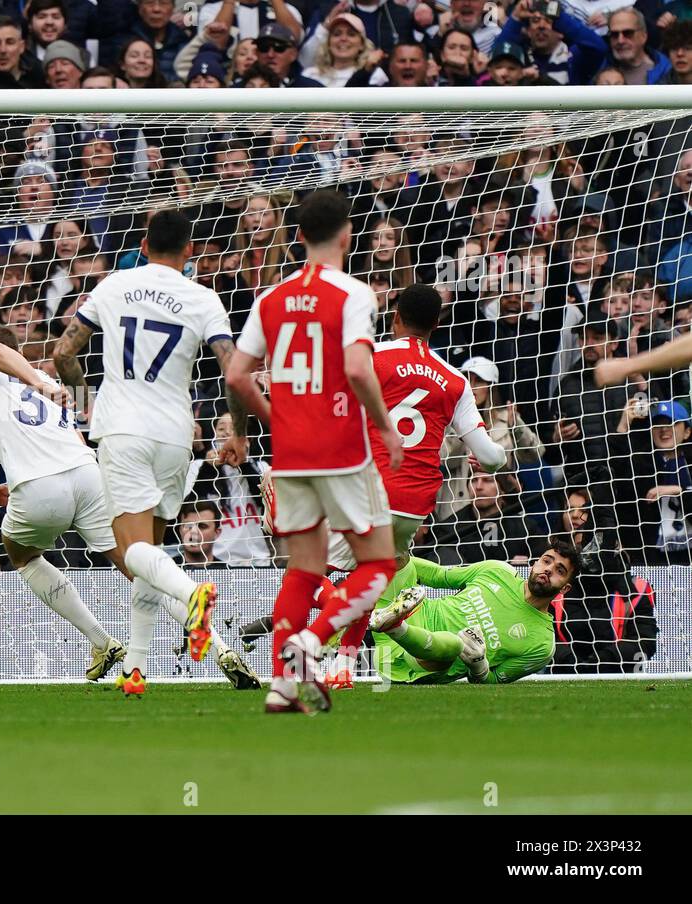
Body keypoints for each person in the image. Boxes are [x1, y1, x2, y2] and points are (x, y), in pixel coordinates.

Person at [261, 284, 510, 687]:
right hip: (415, 504)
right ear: (438, 324)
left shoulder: (374, 356)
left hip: (370, 488)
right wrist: (486, 451)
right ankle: (343, 664)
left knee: (305, 567)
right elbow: (493, 456)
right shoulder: (455, 381)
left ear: (394, 316)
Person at [52, 210, 249, 697]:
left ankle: (191, 594)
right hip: (176, 435)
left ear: (143, 244)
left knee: (131, 550)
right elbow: (233, 372)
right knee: (151, 553)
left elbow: (62, 353)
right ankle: (135, 669)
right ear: (189, 250)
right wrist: (239, 435)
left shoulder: (114, 285)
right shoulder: (203, 298)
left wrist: (83, 407)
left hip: (124, 429)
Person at [224, 189, 404, 714]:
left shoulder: (269, 299)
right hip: (343, 450)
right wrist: (386, 427)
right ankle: (312, 640)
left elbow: (237, 374)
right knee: (379, 566)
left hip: (292, 453)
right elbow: (355, 368)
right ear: (348, 235)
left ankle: (283, 685)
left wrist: (276, 418)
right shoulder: (353, 295)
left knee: (303, 569)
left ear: (297, 235)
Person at [0, 324, 128, 680]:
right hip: (87, 474)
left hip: (40, 488)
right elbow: (71, 441)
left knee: (22, 555)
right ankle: (217, 642)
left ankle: (100, 639)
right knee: (132, 562)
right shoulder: (53, 384)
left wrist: (40, 384)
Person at [368, 541, 582, 684]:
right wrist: (387, 560)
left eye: (559, 571)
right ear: (536, 562)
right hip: (405, 614)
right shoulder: (498, 571)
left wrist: (479, 665)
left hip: (407, 663)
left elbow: (493, 681)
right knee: (397, 556)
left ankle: (394, 625)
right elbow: (438, 575)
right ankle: (389, 619)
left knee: (454, 645)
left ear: (565, 588)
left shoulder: (542, 646)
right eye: (546, 561)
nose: (548, 569)